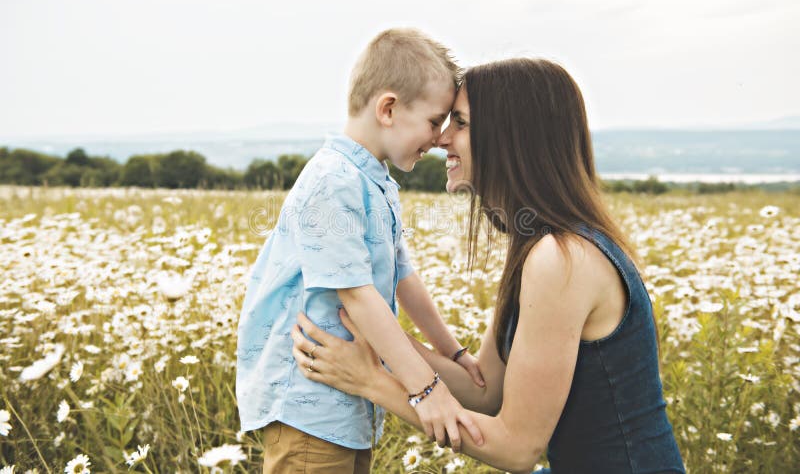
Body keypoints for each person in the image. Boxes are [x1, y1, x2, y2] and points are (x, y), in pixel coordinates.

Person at [291, 58, 686, 473]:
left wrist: (372, 381)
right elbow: (486, 393)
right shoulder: (537, 247)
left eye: (460, 122)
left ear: (510, 136)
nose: (442, 138)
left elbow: (516, 449)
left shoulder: (563, 259)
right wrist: (371, 337)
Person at [235, 28, 486, 474]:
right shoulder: (333, 181)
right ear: (388, 109)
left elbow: (404, 278)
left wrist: (454, 354)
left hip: (344, 401)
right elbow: (358, 296)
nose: (438, 138)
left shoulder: (374, 181)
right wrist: (428, 391)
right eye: (434, 121)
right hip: (305, 404)